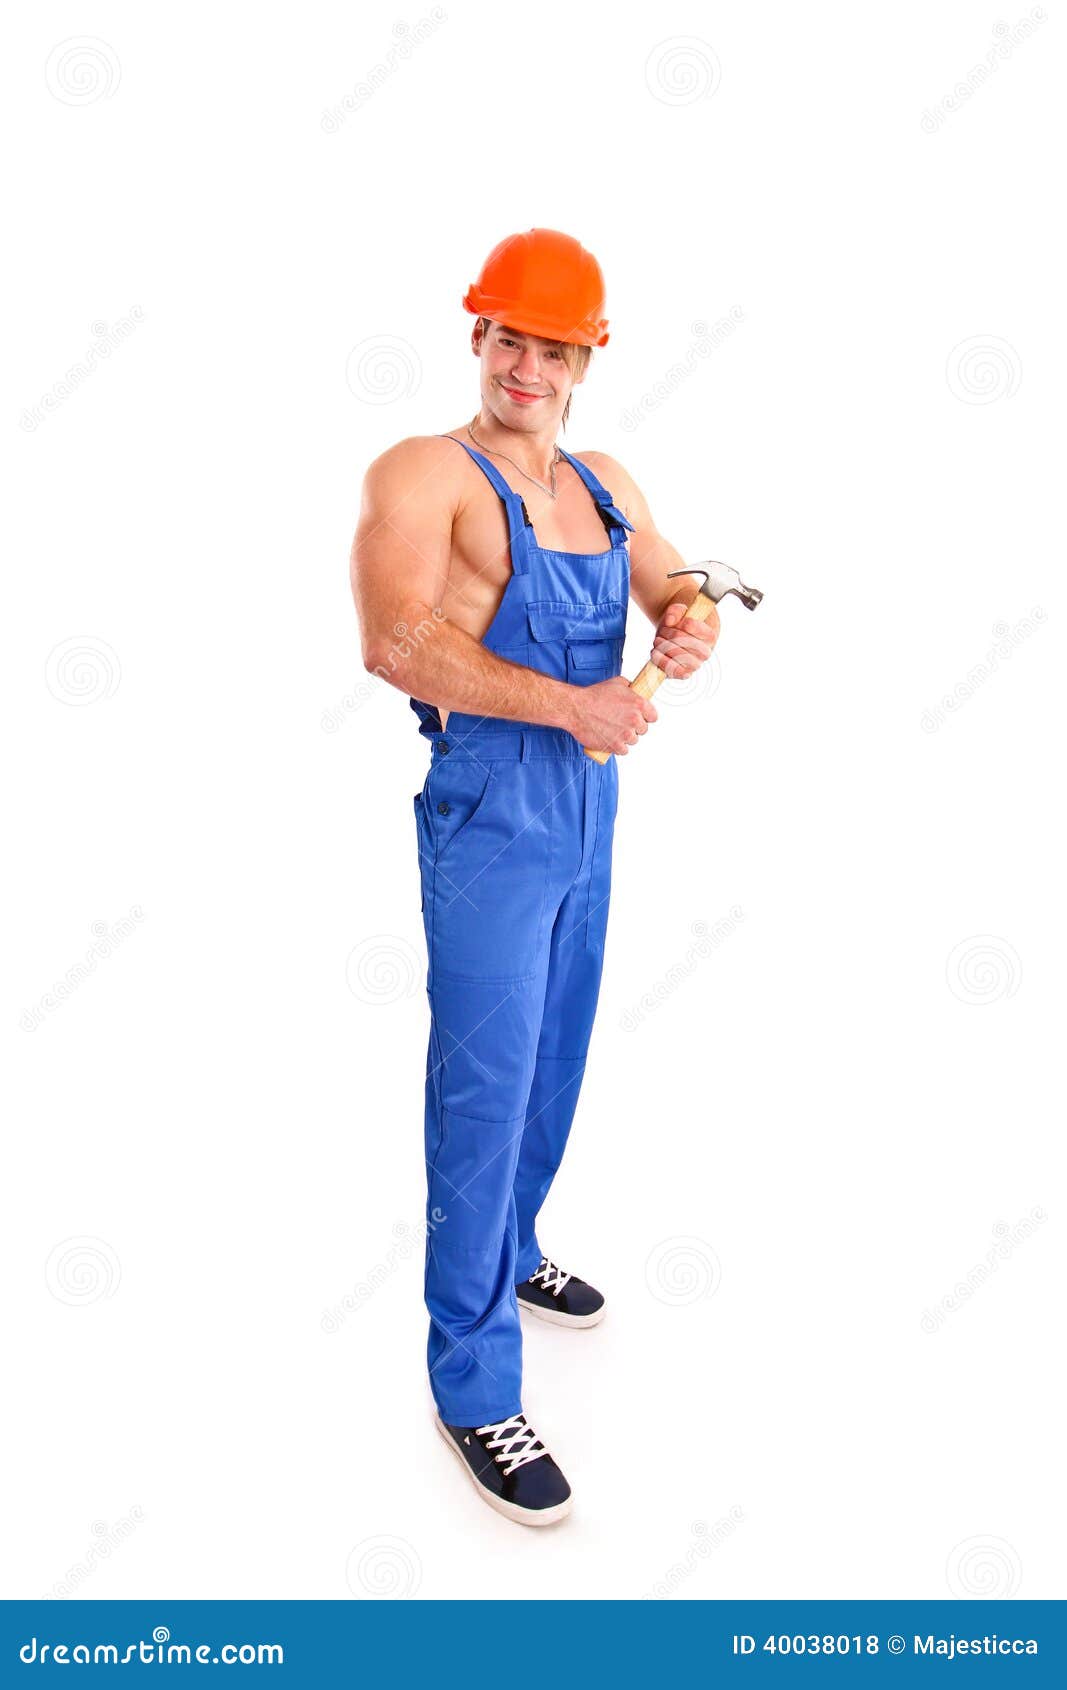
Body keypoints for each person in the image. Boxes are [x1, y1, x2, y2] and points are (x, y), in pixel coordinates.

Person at [350, 229, 719, 1525]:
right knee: (485, 1081)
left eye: (552, 345)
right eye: (509, 336)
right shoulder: (422, 473)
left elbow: (667, 571)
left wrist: (690, 611)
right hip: (492, 809)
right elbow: (396, 641)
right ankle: (472, 1385)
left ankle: (511, 1251)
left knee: (555, 1056)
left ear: (586, 357)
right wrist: (574, 705)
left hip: (586, 804)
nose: (526, 363)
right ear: (479, 338)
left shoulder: (603, 480)